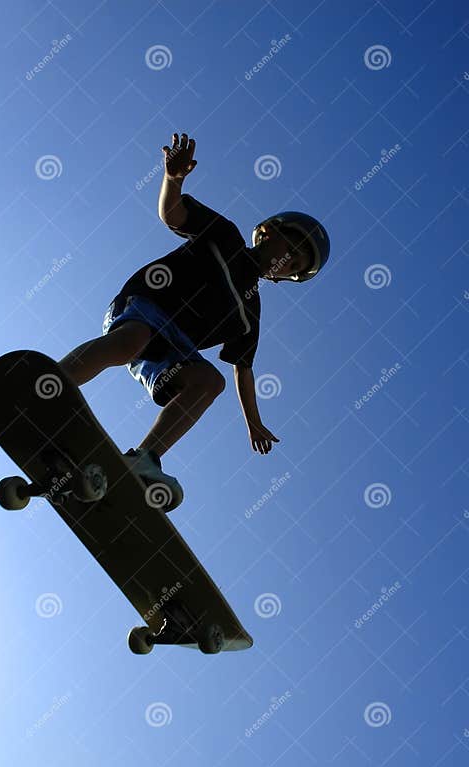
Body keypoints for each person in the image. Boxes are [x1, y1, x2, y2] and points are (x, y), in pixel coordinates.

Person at [58, 132, 330, 511]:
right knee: (132, 340)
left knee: (209, 381)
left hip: (173, 348)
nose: (289, 261)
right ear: (268, 232)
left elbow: (242, 368)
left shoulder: (250, 310)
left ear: (287, 279)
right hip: (143, 307)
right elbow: (173, 214)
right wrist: (173, 179)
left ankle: (144, 459)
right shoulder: (226, 236)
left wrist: (253, 422)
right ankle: (53, 383)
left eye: (297, 265)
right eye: (292, 249)